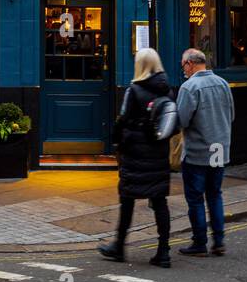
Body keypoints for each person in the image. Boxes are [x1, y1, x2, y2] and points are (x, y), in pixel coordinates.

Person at [98, 48, 173, 268]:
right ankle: (163, 252)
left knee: (127, 200)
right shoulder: (167, 91)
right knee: (160, 202)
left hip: (135, 153)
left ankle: (119, 247)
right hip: (158, 154)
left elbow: (123, 120)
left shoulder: (134, 90)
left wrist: (116, 143)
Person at [176, 48, 234, 256]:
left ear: (190, 64)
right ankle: (219, 241)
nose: (183, 69)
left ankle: (199, 243)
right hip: (220, 149)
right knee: (215, 195)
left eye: (183, 65)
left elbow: (181, 120)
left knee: (195, 199)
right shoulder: (223, 83)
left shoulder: (189, 87)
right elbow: (231, 115)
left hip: (197, 152)